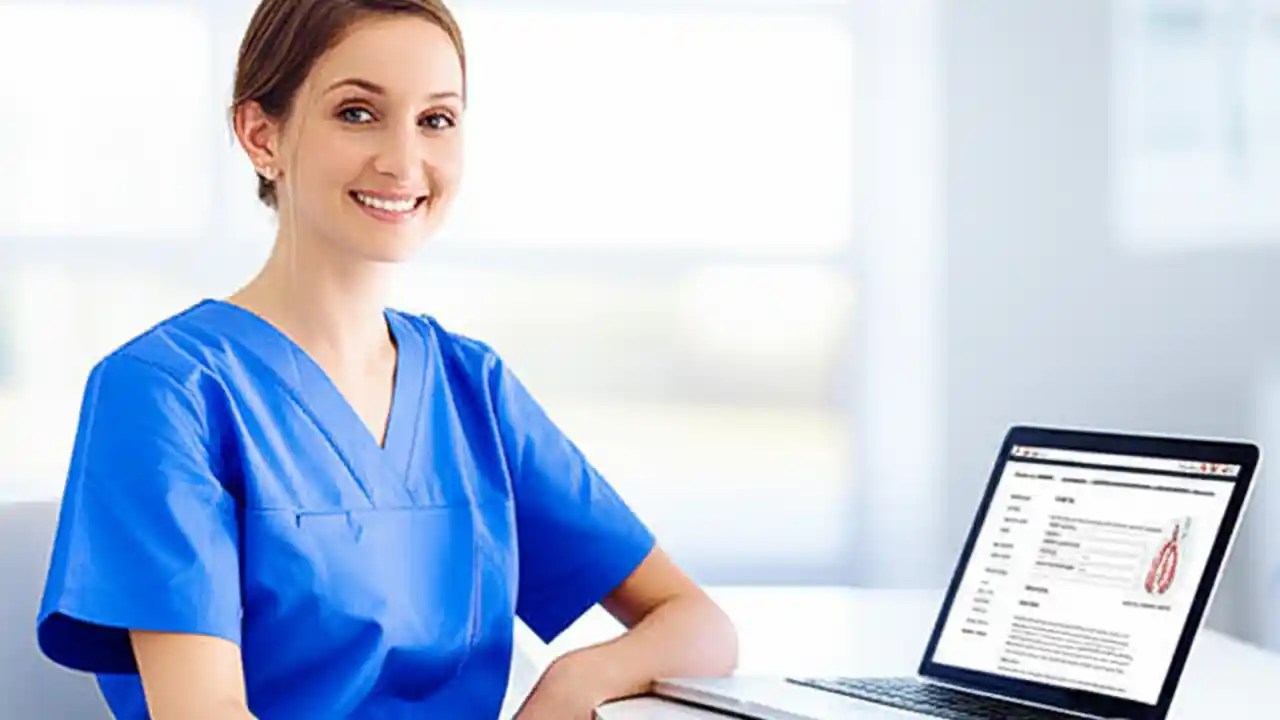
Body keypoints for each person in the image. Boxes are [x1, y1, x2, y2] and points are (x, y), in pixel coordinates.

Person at [34, 1, 738, 717]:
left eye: (436, 120)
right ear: (260, 134)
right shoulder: (165, 392)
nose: (404, 161)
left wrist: (568, 685)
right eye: (358, 113)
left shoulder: (473, 389)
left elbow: (694, 623)